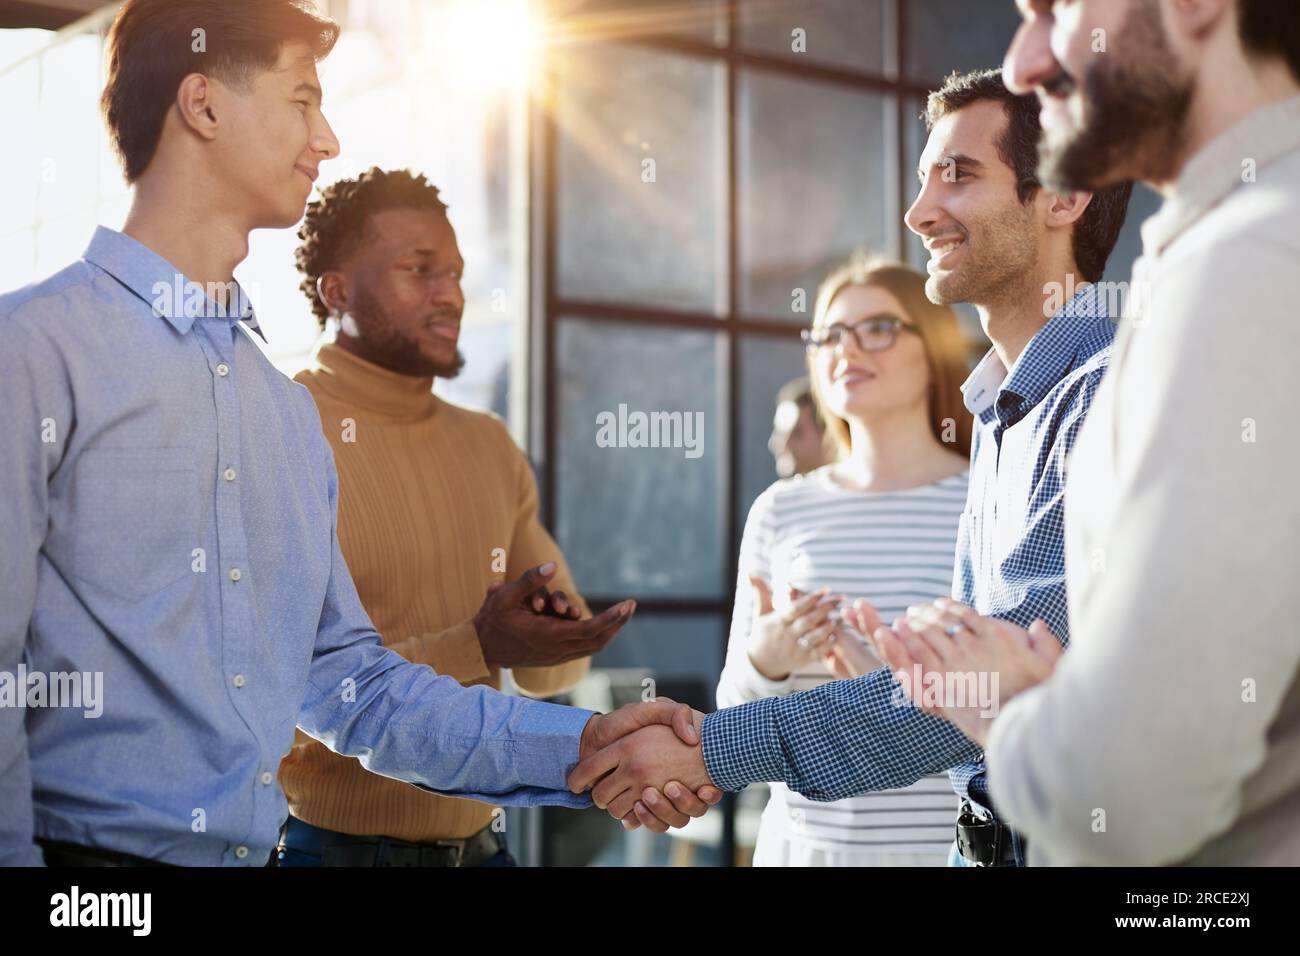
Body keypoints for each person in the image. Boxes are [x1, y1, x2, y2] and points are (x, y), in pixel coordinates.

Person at [0, 0, 710, 868]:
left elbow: (352, 686)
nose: (327, 137)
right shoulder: (31, 349)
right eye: (302, 100)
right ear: (204, 104)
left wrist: (588, 742)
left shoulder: (284, 415)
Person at [570, 71, 1133, 867]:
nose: (918, 212)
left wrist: (708, 752)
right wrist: (889, 675)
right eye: (922, 180)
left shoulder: (1104, 394)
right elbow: (972, 710)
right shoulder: (1004, 416)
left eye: (959, 175)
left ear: (1064, 196)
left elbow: (993, 685)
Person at [879, 0, 1300, 866]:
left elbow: (1122, 794)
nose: (1028, 57)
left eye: (1054, 9)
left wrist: (1014, 706)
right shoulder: (1223, 257)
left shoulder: (1245, 268)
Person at [270, 168, 630, 866]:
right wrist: (477, 646)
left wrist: (556, 636)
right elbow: (284, 699)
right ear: (337, 291)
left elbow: (552, 675)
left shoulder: (488, 444)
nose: (452, 295)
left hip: (486, 850)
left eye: (458, 274)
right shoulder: (283, 431)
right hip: (333, 855)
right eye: (420, 270)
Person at [719, 256, 970, 866]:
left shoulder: (986, 497)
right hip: (805, 853)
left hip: (939, 853)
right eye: (831, 334)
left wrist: (887, 694)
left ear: (933, 344)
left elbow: (1022, 707)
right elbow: (732, 714)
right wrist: (767, 658)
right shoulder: (781, 508)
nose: (847, 348)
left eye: (878, 327)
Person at [767, 377, 834, 478]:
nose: (780, 444)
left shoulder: (855, 491)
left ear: (829, 435)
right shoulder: (780, 493)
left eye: (797, 433)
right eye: (779, 432)